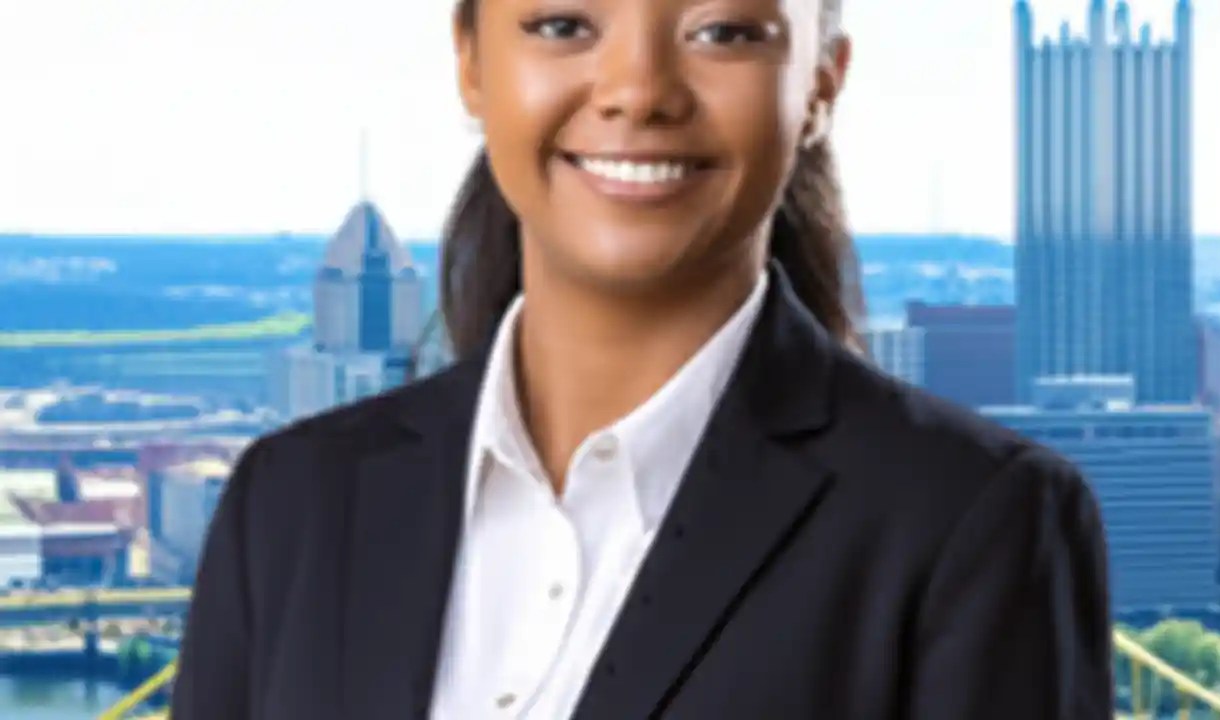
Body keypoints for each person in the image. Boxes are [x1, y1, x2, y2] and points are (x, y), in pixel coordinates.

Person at [171, 0, 1115, 717]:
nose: (639, 91)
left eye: (724, 33)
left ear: (823, 81)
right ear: (470, 62)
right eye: (563, 23)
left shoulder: (973, 520)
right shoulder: (291, 502)